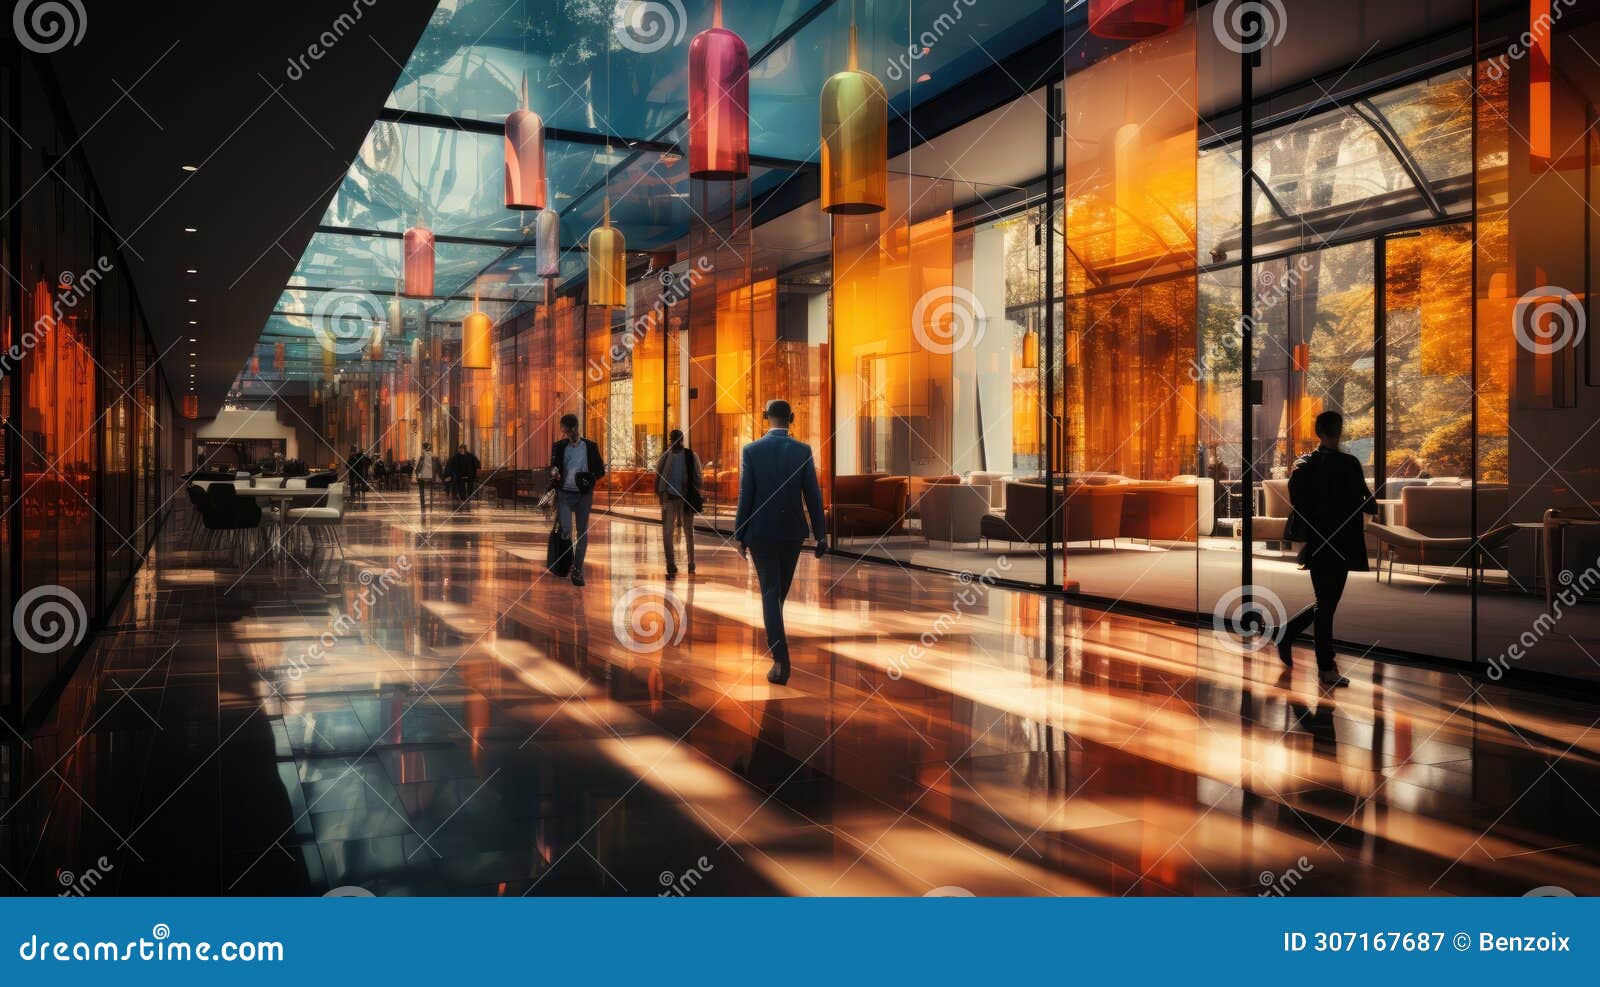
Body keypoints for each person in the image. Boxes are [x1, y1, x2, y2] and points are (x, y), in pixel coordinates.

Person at [1277, 410, 1378, 688]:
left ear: (1317, 431)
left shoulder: (1303, 465)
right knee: (1327, 604)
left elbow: (1299, 505)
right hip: (1343, 542)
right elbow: (1370, 505)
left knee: (1325, 602)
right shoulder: (1349, 464)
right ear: (1339, 431)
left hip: (1319, 541)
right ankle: (1325, 667)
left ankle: (1289, 635)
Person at [733, 400, 825, 686]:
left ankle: (780, 659)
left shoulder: (751, 450)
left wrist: (739, 533)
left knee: (772, 594)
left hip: (761, 532)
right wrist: (821, 534)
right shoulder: (803, 451)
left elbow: (746, 494)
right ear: (792, 418)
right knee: (777, 593)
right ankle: (778, 652)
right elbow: (813, 495)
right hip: (791, 533)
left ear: (765, 417)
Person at [550, 413, 605, 587]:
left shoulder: (590, 447)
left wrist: (590, 478)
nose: (565, 434)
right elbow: (554, 467)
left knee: (582, 533)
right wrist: (555, 473)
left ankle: (578, 570)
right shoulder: (559, 447)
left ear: (574, 428)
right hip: (565, 494)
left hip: (583, 496)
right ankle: (570, 561)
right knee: (566, 530)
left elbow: (600, 471)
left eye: (566, 430)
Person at [655, 428, 702, 579]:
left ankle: (691, 563)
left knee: (687, 532)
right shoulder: (666, 457)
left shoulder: (690, 456)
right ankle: (671, 563)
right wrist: (661, 495)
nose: (673, 443)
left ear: (680, 440)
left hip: (686, 498)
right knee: (668, 532)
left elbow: (698, 477)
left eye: (675, 440)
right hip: (670, 497)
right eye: (672, 440)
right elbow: (659, 475)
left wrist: (696, 486)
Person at [415, 442, 440, 516]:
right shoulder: (434, 457)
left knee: (421, 491)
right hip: (431, 477)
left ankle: (423, 504)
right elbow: (436, 468)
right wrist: (435, 476)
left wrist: (418, 475)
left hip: (422, 477)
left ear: (423, 448)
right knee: (430, 492)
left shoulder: (422, 457)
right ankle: (430, 505)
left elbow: (418, 467)